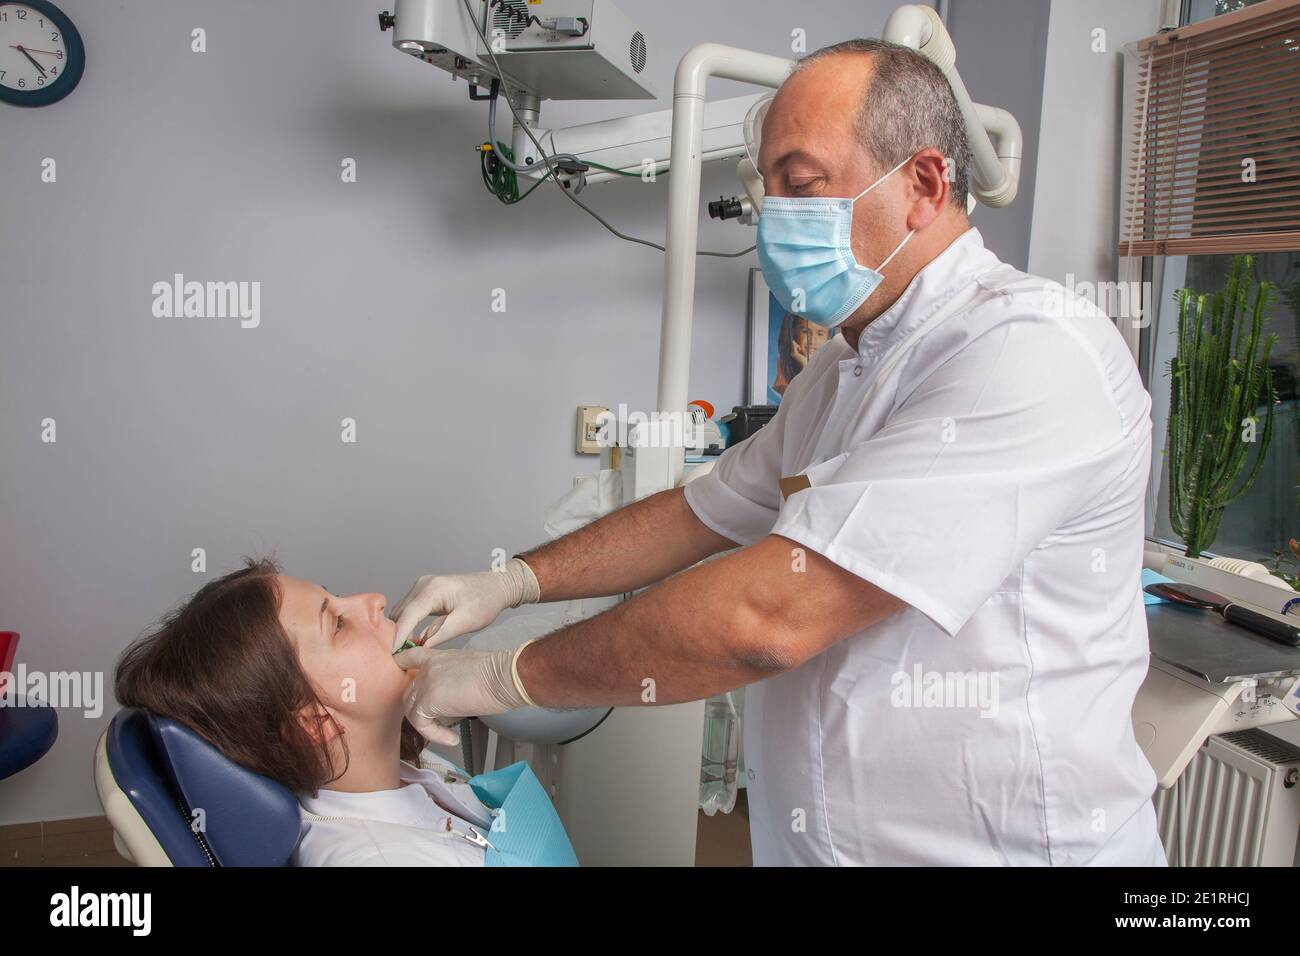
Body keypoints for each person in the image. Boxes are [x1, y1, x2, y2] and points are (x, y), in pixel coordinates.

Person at [390, 39, 1166, 866]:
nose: (774, 218)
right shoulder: (840, 368)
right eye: (770, 190)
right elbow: (700, 511)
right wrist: (511, 581)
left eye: (802, 185)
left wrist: (504, 676)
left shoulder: (1030, 349)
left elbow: (769, 617)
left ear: (925, 185)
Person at [114, 559, 501, 866]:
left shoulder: (395, 768)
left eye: (337, 599)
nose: (375, 599)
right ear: (314, 724)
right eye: (337, 624)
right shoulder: (380, 860)